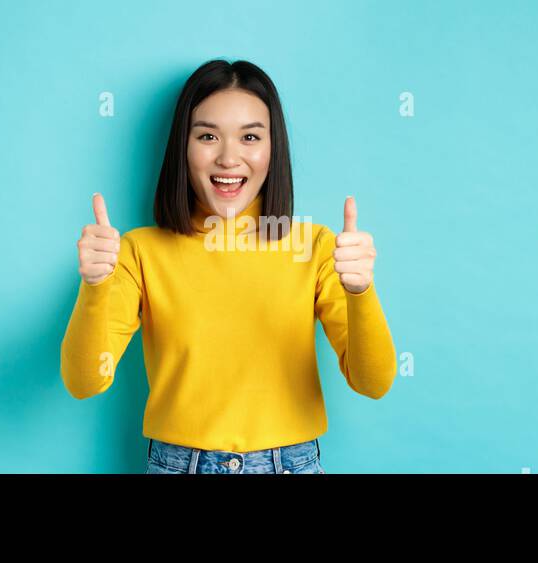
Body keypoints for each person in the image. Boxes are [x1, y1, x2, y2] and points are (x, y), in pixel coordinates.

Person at [60, 58, 397, 474]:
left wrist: (361, 293)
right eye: (207, 136)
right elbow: (83, 382)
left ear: (273, 149)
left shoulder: (315, 247)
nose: (228, 158)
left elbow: (373, 382)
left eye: (250, 136)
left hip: (290, 463)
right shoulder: (139, 252)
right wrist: (95, 286)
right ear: (183, 148)